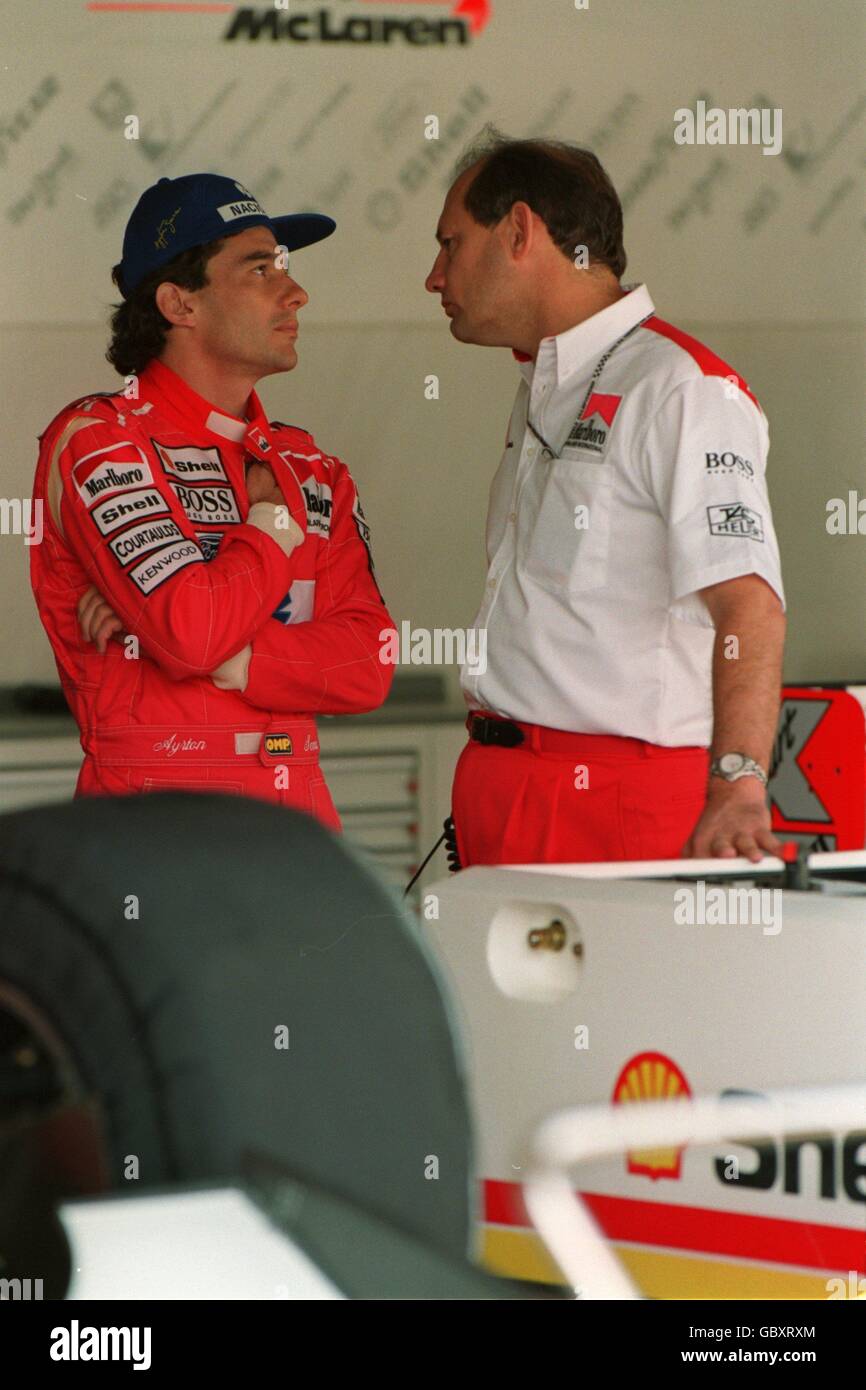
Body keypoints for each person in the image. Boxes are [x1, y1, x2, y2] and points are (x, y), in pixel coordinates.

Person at [425, 129, 786, 868]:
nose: (435, 277)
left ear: (519, 231)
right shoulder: (545, 383)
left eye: (450, 245)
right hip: (502, 780)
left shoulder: (683, 388)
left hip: (621, 792)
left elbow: (748, 605)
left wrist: (739, 780)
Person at [31, 173, 393, 826]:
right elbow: (190, 634)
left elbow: (369, 664)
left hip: (298, 824)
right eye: (261, 270)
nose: (297, 292)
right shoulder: (101, 441)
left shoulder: (309, 464)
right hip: (154, 827)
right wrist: (271, 524)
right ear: (179, 304)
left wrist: (239, 657)